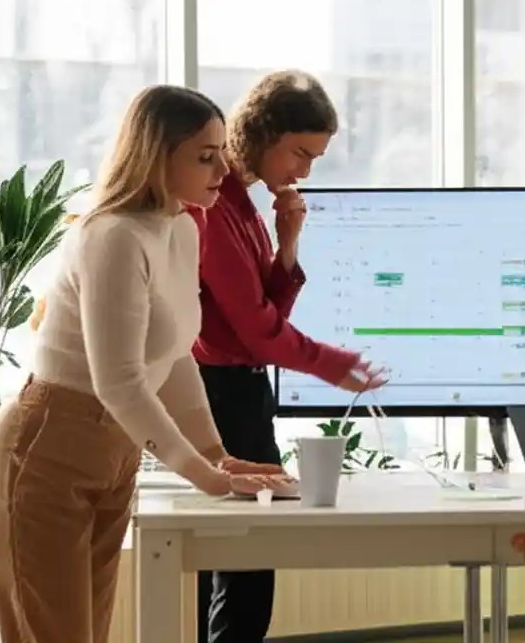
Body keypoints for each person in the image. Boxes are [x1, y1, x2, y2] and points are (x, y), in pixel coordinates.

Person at [0, 85, 290, 643]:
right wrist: (203, 477)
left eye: (221, 151)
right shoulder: (112, 235)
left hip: (114, 455)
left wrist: (218, 455)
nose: (223, 166)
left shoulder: (183, 227)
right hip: (46, 449)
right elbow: (118, 380)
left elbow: (172, 359)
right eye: (204, 155)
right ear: (156, 155)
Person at [189, 70, 386, 643]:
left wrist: (288, 241)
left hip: (242, 388)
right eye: (300, 152)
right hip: (220, 390)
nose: (304, 171)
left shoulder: (245, 204)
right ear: (264, 130)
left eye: (315, 158)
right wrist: (334, 364)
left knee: (239, 555)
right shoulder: (216, 207)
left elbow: (265, 313)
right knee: (246, 558)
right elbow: (255, 331)